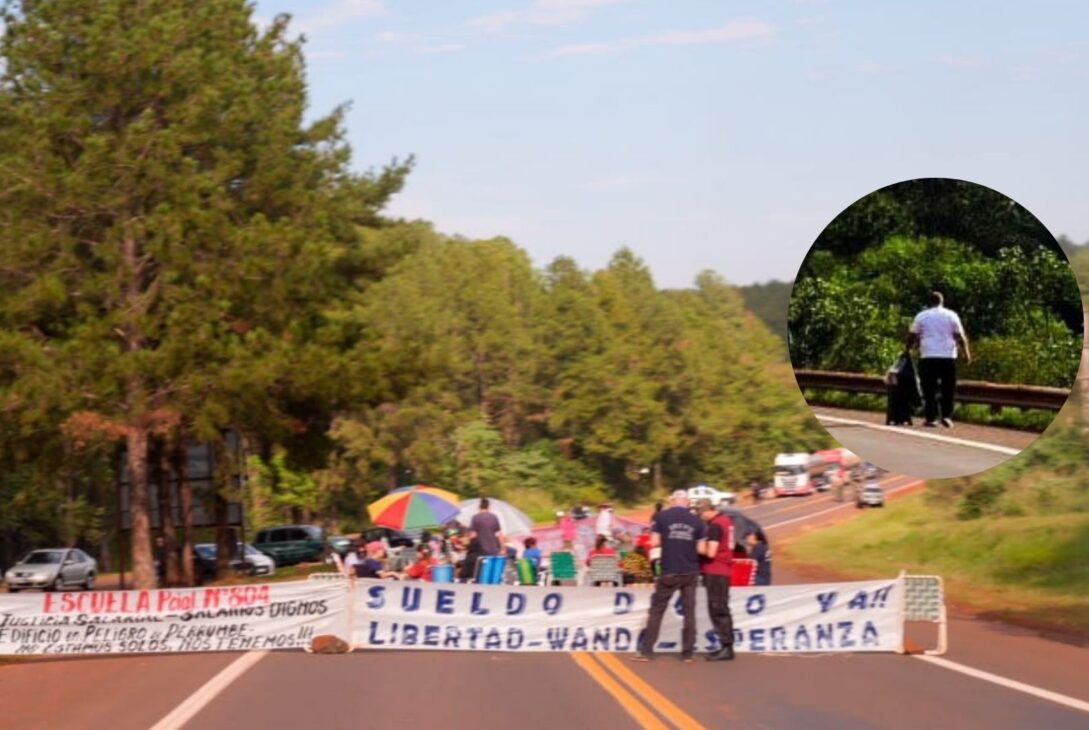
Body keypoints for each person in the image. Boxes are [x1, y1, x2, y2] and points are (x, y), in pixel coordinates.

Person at [633, 489, 706, 663]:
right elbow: (701, 549)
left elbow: (655, 542)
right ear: (687, 502)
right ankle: (687, 653)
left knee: (657, 610)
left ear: (672, 501)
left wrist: (669, 542)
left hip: (669, 569)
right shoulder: (697, 521)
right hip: (690, 570)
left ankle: (647, 651)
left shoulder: (661, 517)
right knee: (689, 612)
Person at [906, 291, 972, 428]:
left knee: (929, 388)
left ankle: (931, 418)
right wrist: (966, 353)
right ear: (942, 301)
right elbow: (960, 336)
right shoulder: (951, 315)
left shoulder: (922, 316)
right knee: (948, 387)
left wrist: (907, 349)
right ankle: (946, 416)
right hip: (948, 356)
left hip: (928, 356)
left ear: (929, 302)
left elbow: (912, 335)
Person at [696, 499, 736, 661]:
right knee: (721, 607)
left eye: (701, 515)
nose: (701, 518)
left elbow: (711, 552)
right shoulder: (726, 520)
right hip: (724, 568)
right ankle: (725, 645)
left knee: (717, 608)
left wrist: (699, 546)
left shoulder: (715, 525)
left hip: (716, 570)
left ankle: (726, 646)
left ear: (705, 512)